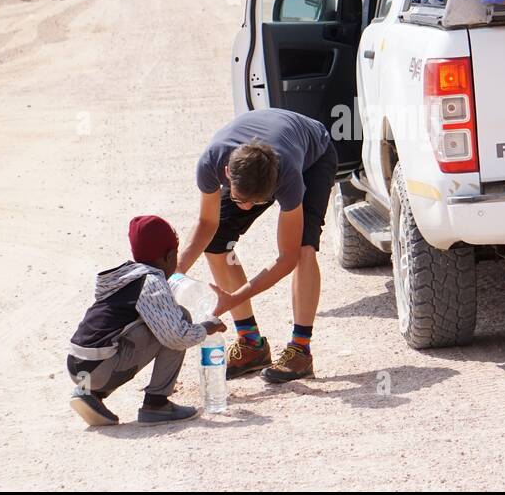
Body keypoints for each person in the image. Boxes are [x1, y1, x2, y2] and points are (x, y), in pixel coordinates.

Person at [177, 108, 336, 384]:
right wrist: (168, 276)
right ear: (227, 173)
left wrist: (231, 299)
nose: (248, 208)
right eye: (241, 199)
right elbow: (206, 225)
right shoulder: (211, 162)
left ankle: (300, 349)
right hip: (262, 158)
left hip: (315, 155)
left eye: (257, 202)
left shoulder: (287, 176)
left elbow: (286, 258)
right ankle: (251, 344)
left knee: (303, 249)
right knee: (215, 244)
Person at [66, 215, 226, 426]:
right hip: (100, 370)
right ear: (170, 256)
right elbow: (176, 336)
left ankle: (90, 395)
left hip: (77, 366)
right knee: (180, 318)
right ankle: (157, 404)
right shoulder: (152, 281)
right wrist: (206, 328)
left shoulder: (125, 275)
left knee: (139, 327)